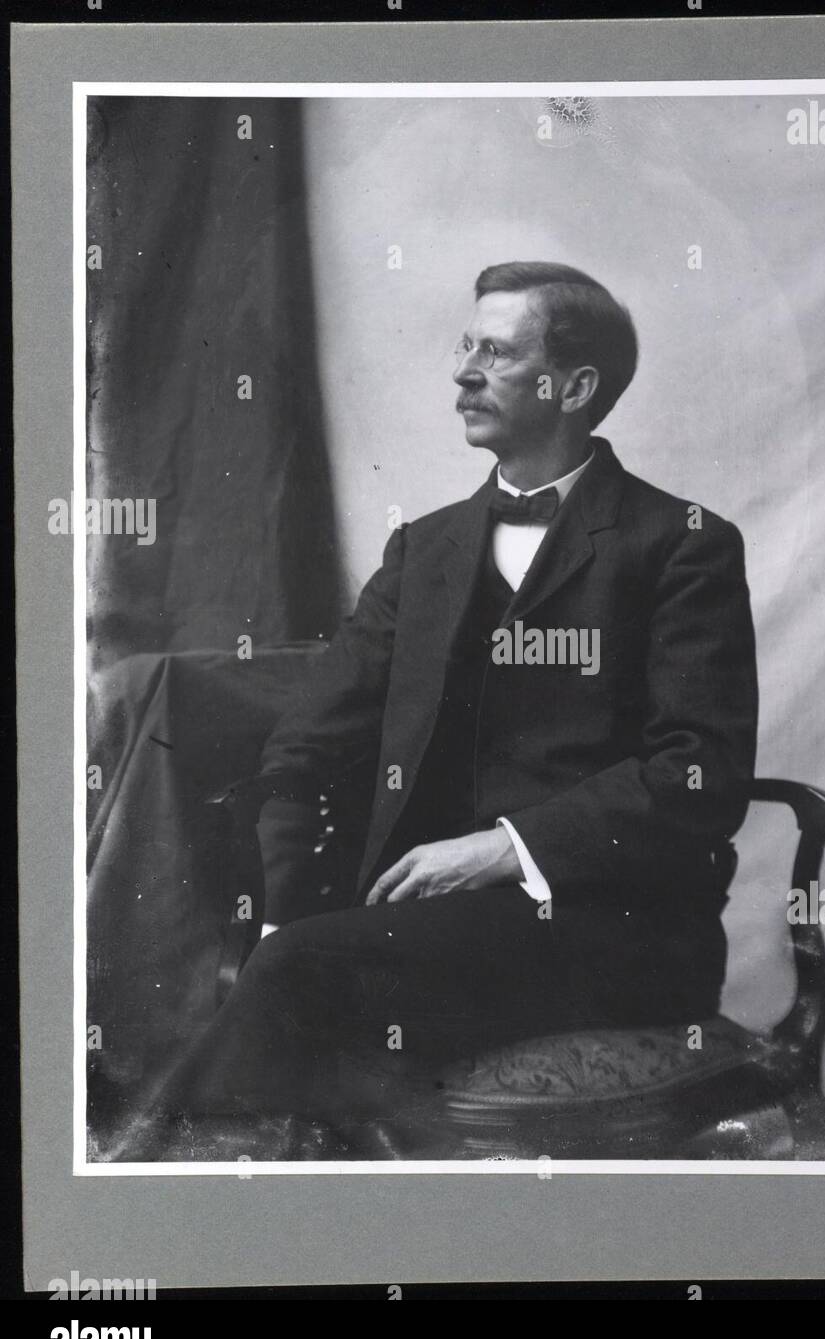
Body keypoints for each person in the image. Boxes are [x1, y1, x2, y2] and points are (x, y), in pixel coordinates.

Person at [128, 261, 758, 1160]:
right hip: (426, 933)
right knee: (297, 968)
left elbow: (699, 776)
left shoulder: (682, 547)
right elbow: (306, 745)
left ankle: (171, 1183)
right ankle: (240, 1188)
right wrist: (283, 915)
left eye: (495, 353)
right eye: (466, 347)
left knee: (302, 987)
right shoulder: (425, 548)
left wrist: (504, 850)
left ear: (573, 386)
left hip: (613, 931)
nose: (462, 372)